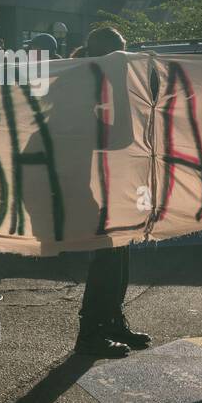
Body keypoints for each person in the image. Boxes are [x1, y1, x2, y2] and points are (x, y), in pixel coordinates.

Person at [75, 26, 151, 359]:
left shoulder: (99, 82)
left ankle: (112, 321)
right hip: (90, 187)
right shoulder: (82, 86)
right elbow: (117, 136)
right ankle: (91, 333)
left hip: (112, 185)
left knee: (119, 254)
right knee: (106, 259)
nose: (125, 57)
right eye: (120, 52)